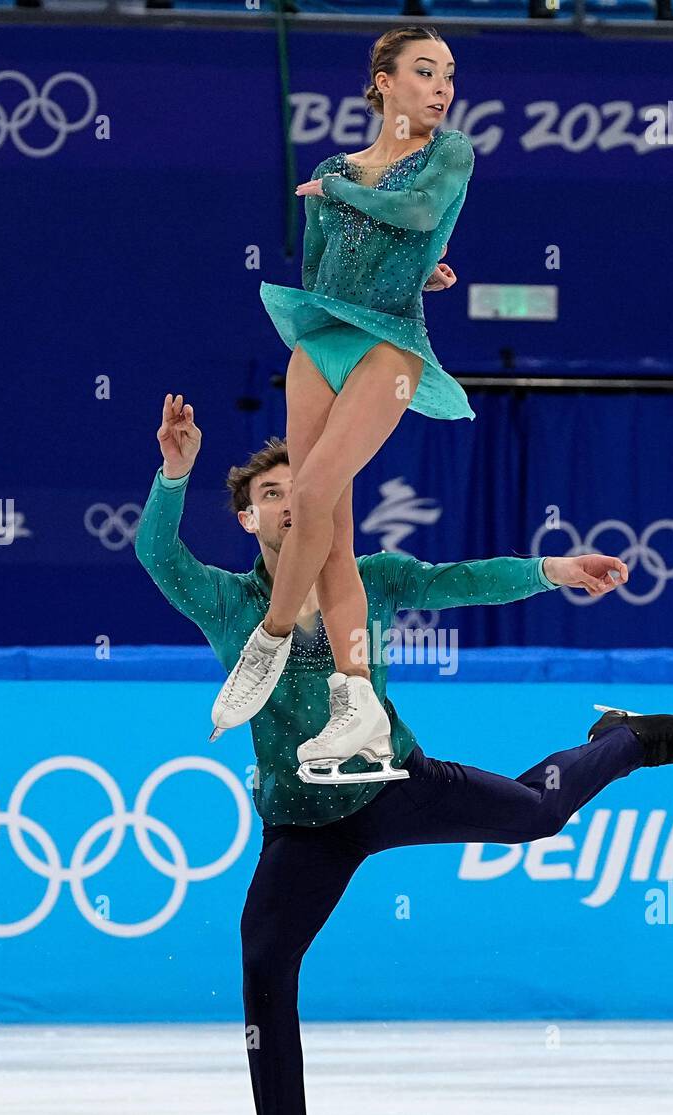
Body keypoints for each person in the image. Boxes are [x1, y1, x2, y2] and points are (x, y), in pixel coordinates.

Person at [135, 395, 673, 1115]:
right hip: (304, 826)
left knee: (536, 814)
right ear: (248, 514)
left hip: (392, 783)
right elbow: (154, 551)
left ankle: (626, 739)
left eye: (303, 486)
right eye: (271, 492)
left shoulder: (360, 577)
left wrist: (553, 570)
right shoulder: (227, 605)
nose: (291, 500)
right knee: (263, 971)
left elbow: (457, 579)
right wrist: (173, 471)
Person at [209, 27, 479, 787]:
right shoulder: (333, 166)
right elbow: (327, 270)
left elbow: (423, 212)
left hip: (389, 348)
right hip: (320, 340)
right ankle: (356, 699)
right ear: (383, 83)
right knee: (332, 535)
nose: (441, 87)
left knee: (311, 491)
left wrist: (354, 206)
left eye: (449, 75)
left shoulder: (449, 152)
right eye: (424, 72)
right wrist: (413, 267)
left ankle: (268, 643)